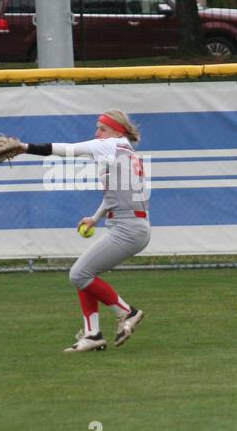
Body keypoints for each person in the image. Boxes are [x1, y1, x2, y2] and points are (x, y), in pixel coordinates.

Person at [20, 109, 150, 352]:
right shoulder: (123, 150)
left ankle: (127, 312)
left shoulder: (110, 145)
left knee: (78, 274)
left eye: (102, 127)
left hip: (129, 228)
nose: (96, 132)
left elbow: (67, 150)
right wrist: (95, 217)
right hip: (130, 225)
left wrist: (25, 147)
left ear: (116, 131)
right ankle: (92, 335)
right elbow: (116, 194)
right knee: (85, 274)